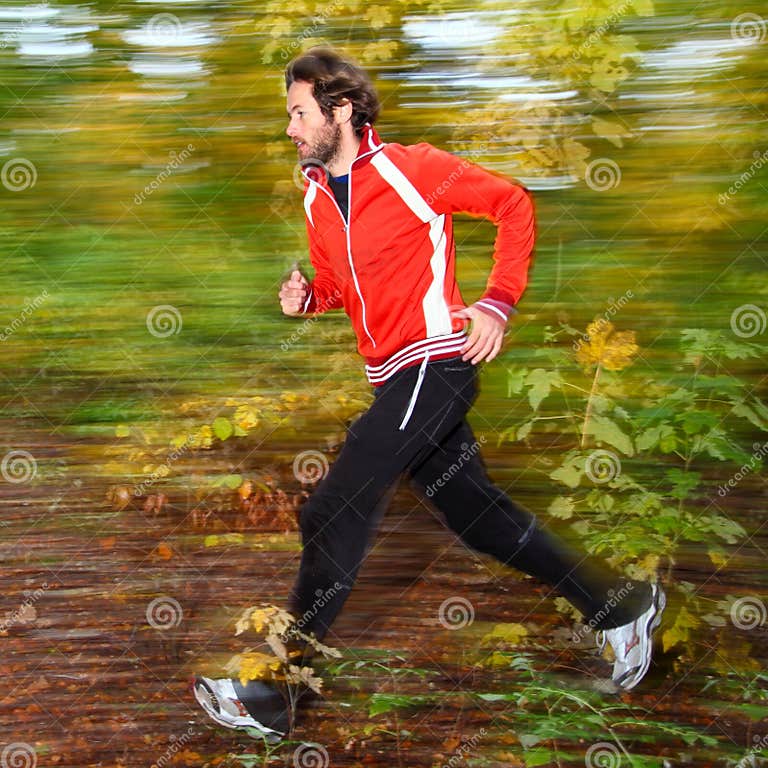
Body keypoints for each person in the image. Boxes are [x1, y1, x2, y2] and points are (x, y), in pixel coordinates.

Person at [194, 47, 665, 738]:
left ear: (341, 109)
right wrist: (308, 299)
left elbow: (512, 204)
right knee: (481, 520)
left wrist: (497, 302)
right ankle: (622, 605)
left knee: (335, 503)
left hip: (436, 363)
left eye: (299, 113)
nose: (291, 128)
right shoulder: (315, 192)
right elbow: (338, 283)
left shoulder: (413, 169)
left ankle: (281, 692)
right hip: (394, 380)